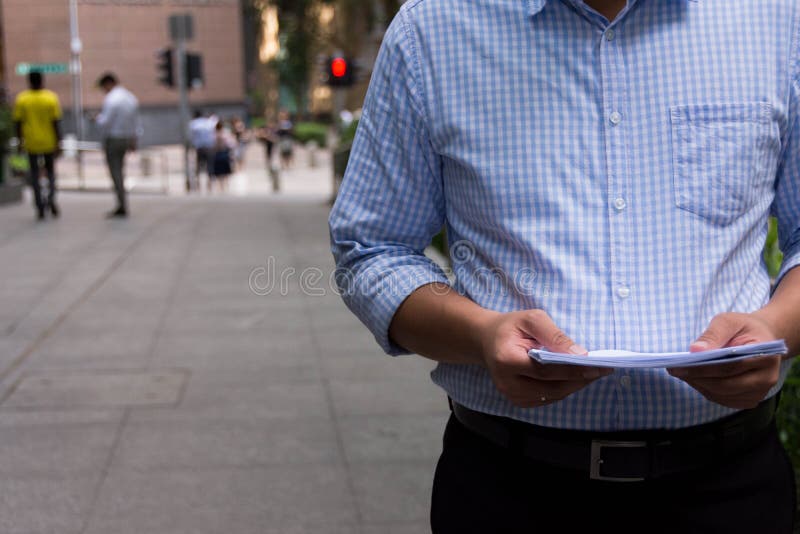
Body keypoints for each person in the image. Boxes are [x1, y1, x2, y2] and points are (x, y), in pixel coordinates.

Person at [329, 1, 800, 533]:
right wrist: (482, 334)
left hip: (731, 492)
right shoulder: (434, 28)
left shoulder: (777, 17)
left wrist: (776, 330)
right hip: (508, 491)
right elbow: (371, 247)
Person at [12, 71, 62, 220]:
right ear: (42, 80)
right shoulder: (51, 98)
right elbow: (56, 122)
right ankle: (51, 199)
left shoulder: (22, 99)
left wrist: (20, 142)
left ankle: (39, 206)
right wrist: (58, 142)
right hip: (48, 142)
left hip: (31, 142)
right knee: (51, 173)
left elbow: (18, 123)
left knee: (34, 175)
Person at [95, 72, 140, 218]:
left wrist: (96, 119)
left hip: (114, 138)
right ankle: (122, 202)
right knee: (121, 171)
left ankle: (121, 204)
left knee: (116, 172)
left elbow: (105, 122)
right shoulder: (130, 97)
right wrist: (134, 139)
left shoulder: (111, 99)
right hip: (127, 138)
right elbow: (136, 122)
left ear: (108, 84)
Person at [189, 110, 216, 192]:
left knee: (199, 166)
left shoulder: (194, 123)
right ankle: (210, 183)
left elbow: (191, 135)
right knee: (210, 165)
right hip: (209, 146)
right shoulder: (208, 123)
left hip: (199, 147)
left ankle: (198, 184)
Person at [209, 120, 235, 193]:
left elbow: (211, 145)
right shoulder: (225, 134)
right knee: (225, 171)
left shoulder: (213, 135)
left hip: (217, 154)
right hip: (224, 153)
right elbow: (231, 144)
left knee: (218, 171)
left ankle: (219, 186)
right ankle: (226, 186)